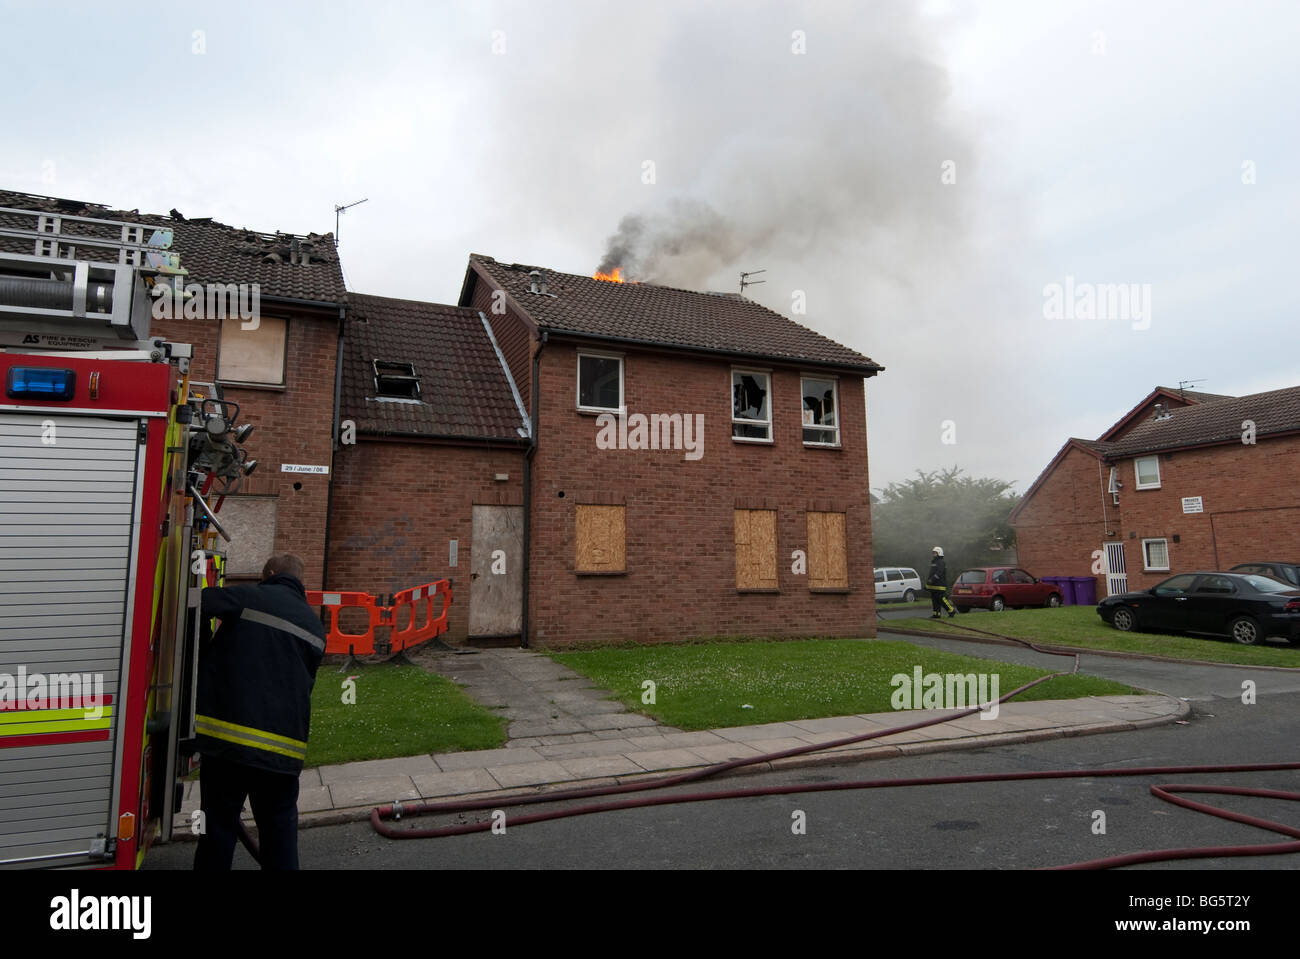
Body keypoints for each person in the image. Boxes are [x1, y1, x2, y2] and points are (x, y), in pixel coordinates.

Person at [193, 553, 326, 870]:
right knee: (279, 838)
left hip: (229, 746)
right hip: (282, 753)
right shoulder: (315, 627)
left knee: (217, 830)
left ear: (268, 573)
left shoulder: (250, 597)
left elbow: (198, 602)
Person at [926, 546, 956, 618]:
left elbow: (939, 573)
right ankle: (937, 614)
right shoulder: (933, 562)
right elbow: (931, 573)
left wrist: (932, 579)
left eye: (935, 553)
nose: (933, 554)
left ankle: (951, 610)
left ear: (939, 553)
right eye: (933, 553)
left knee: (941, 599)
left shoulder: (941, 562)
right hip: (933, 585)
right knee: (935, 600)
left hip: (940, 585)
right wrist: (928, 584)